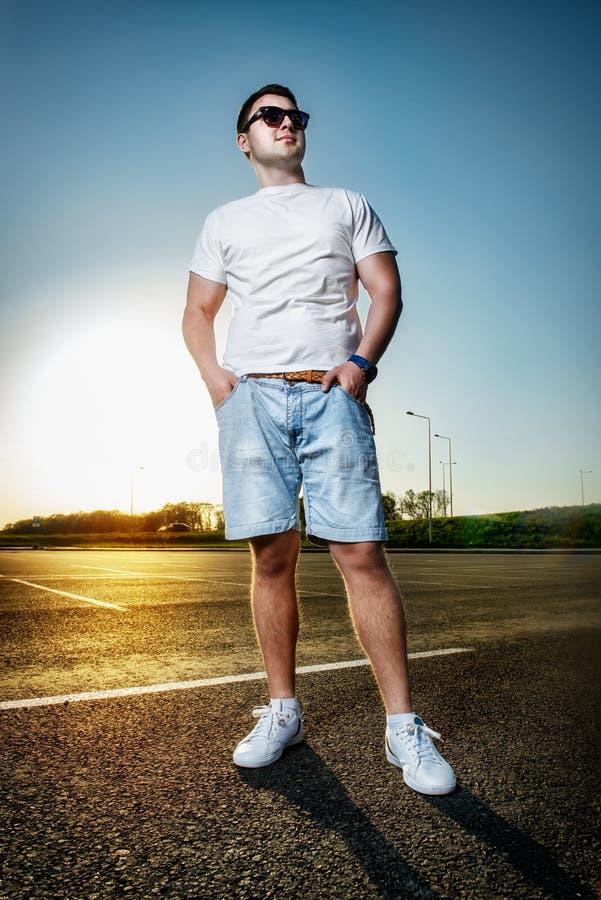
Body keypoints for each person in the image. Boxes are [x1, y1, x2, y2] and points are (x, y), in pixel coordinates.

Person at [183, 84, 456, 795]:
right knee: (270, 556)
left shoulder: (346, 204)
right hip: (253, 398)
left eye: (293, 116)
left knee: (360, 552)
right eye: (269, 117)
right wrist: (219, 383)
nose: (285, 124)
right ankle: (282, 712)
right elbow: (196, 311)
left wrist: (361, 366)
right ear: (244, 139)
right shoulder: (223, 220)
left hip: (331, 393)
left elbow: (385, 291)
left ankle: (402, 727)